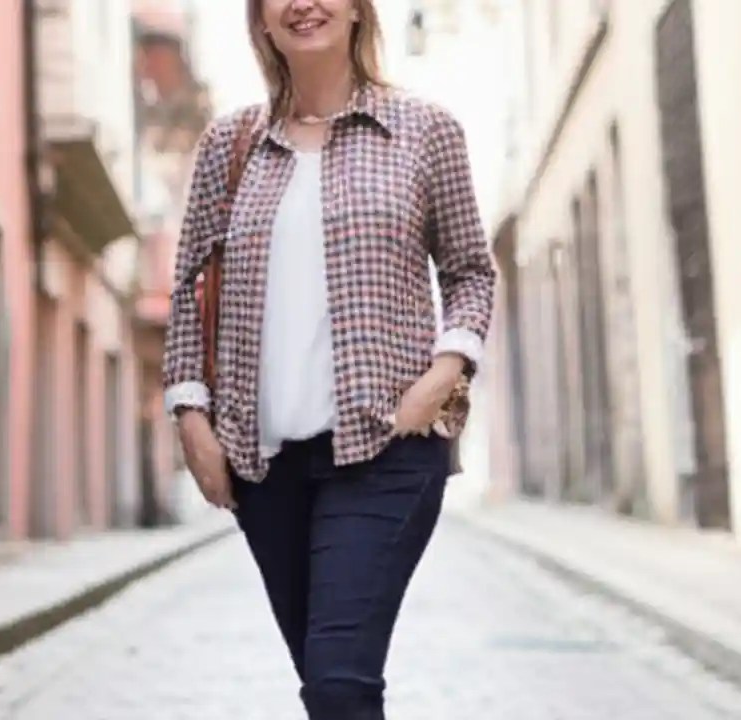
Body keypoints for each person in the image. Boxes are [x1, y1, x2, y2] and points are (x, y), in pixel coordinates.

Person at [162, 0, 495, 716]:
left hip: (388, 449)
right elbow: (188, 290)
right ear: (259, 18)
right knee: (326, 684)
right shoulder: (230, 145)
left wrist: (442, 376)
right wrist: (192, 417)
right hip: (264, 466)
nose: (303, 3)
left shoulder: (424, 130)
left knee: (341, 684)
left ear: (355, 10)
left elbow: (471, 270)